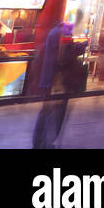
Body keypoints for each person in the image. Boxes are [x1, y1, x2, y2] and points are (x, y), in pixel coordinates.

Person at [32, 14, 88, 149]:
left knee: (45, 111)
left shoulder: (53, 31)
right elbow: (64, 57)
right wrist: (81, 46)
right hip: (60, 81)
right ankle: (48, 142)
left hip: (48, 79)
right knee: (57, 114)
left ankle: (38, 141)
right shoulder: (65, 33)